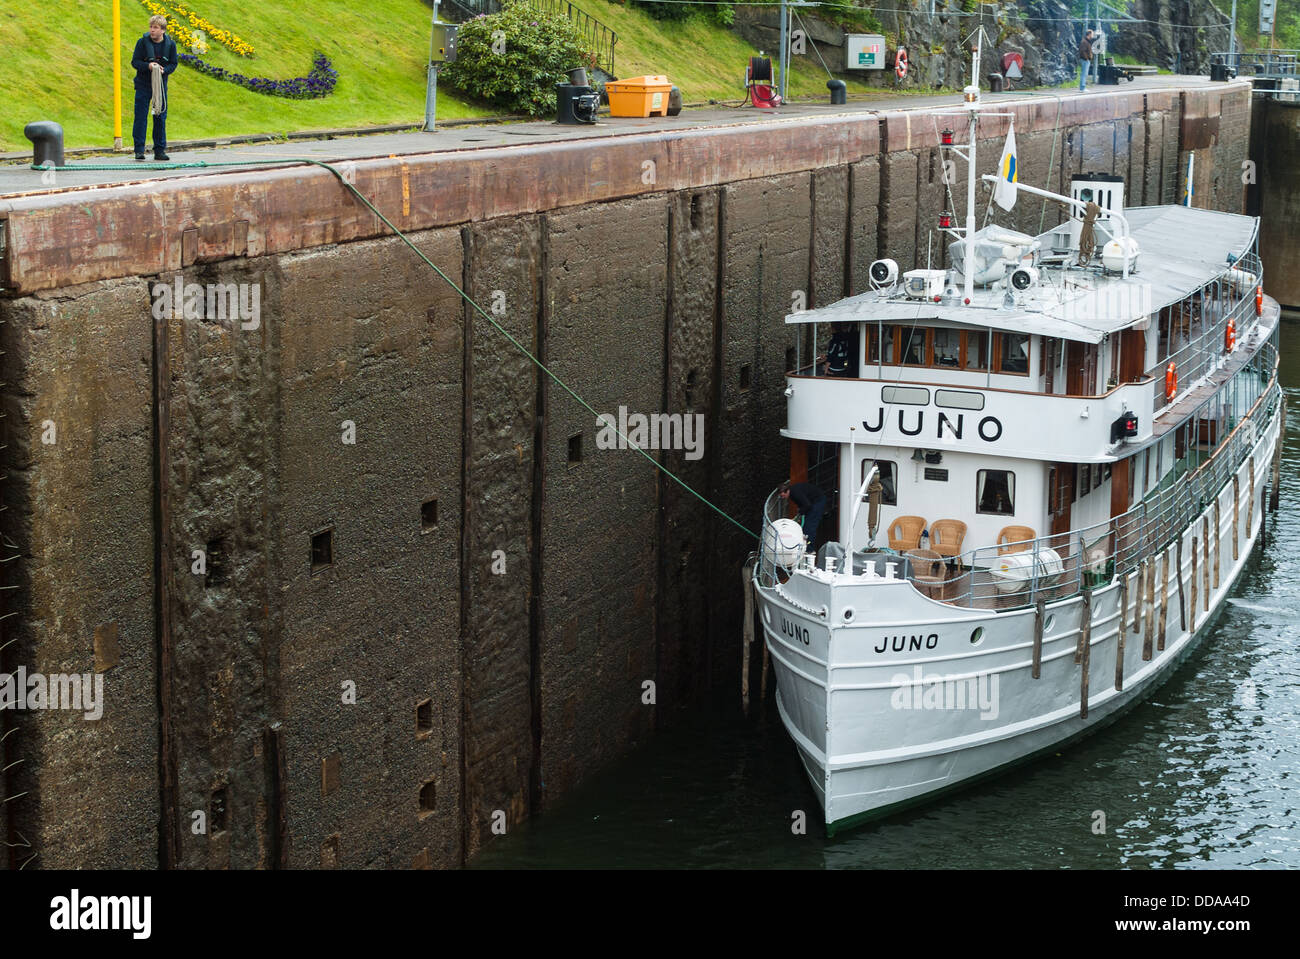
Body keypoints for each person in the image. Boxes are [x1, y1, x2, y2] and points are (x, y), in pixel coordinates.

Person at [131, 15, 179, 161]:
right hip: (143, 85)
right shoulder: (142, 43)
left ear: (163, 30)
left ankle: (159, 150)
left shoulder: (170, 45)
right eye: (151, 27)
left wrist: (165, 70)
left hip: (160, 87)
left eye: (155, 27)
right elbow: (135, 62)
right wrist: (149, 66)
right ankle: (139, 150)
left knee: (160, 117)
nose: (152, 30)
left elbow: (173, 63)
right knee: (140, 117)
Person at [779, 481, 827, 549]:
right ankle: (808, 547)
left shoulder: (795, 493)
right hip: (813, 503)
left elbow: (807, 505)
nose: (782, 497)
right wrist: (799, 514)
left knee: (809, 528)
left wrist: (800, 513)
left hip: (817, 502)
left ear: (787, 491)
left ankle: (810, 549)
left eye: (782, 495)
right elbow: (803, 504)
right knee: (806, 528)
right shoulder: (792, 493)